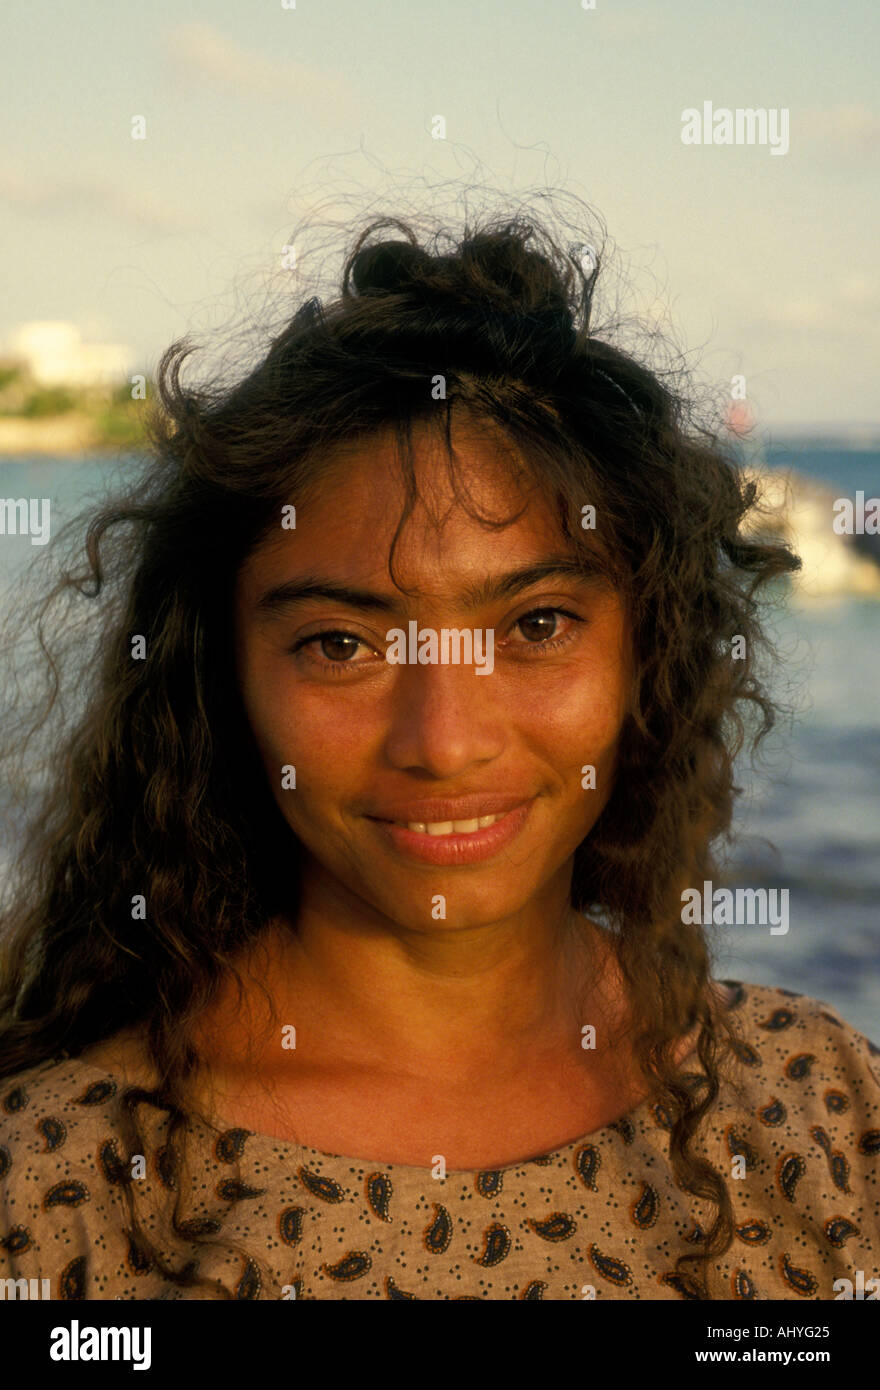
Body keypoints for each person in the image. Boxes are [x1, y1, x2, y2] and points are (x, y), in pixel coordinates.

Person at [0, 209, 877, 1301]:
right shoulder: (53, 1195)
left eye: (538, 626)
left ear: (647, 653)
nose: (445, 740)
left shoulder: (819, 1111)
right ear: (221, 677)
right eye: (340, 644)